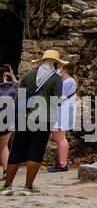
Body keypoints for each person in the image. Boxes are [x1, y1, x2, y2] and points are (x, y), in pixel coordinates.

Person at [2, 49, 67, 195]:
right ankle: (28, 187)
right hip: (43, 119)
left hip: (24, 118)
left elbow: (20, 98)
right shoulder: (56, 79)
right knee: (35, 151)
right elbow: (55, 101)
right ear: (55, 63)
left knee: (17, 150)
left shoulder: (28, 75)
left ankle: (7, 186)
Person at [48, 58, 79, 172]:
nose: (58, 69)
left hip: (63, 112)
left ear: (64, 69)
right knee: (59, 138)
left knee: (60, 138)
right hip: (61, 111)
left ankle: (63, 164)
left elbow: (58, 98)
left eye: (59, 67)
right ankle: (61, 162)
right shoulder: (66, 81)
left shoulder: (69, 82)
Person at [0, 64, 16, 174]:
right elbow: (19, 86)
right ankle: (7, 170)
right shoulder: (11, 87)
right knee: (4, 145)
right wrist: (12, 75)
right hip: (8, 120)